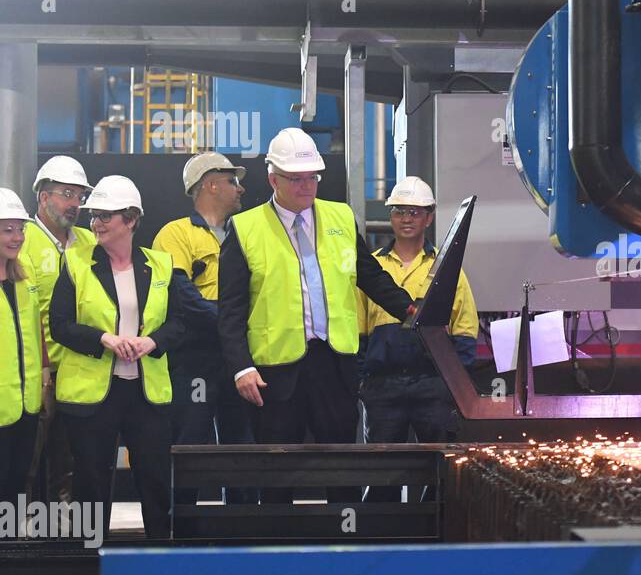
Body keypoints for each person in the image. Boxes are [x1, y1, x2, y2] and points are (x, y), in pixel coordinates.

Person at [217, 128, 415, 503]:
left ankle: (345, 548)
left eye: (312, 177)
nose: (306, 186)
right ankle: (279, 553)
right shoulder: (245, 229)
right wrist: (241, 367)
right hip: (274, 368)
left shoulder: (340, 217)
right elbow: (231, 309)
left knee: (342, 465)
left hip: (334, 362)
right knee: (277, 470)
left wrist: (408, 308)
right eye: (296, 178)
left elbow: (368, 274)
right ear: (273, 178)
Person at [49, 176, 188, 539]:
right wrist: (104, 339)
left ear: (130, 219)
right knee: (91, 480)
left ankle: (161, 554)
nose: (96, 223)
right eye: (94, 216)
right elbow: (60, 325)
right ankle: (89, 562)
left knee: (155, 477)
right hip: (94, 393)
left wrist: (151, 343)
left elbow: (180, 323)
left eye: (105, 216)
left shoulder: (160, 264)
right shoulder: (75, 262)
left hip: (146, 392)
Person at [358, 177, 478, 502]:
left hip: (433, 387)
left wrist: (451, 383)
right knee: (383, 476)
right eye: (399, 211)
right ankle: (382, 545)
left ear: (429, 217)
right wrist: (363, 381)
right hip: (383, 388)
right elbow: (357, 331)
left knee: (441, 473)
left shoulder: (447, 269)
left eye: (414, 211)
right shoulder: (372, 267)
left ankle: (435, 545)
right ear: (391, 216)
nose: (407, 218)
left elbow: (465, 328)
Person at [152, 153, 253, 450]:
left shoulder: (247, 233)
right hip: (194, 356)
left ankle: (242, 499)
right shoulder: (176, 233)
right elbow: (181, 293)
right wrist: (231, 323)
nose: (241, 188)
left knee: (242, 447)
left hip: (239, 357)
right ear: (210, 185)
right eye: (233, 181)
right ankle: (182, 500)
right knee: (189, 442)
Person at [18, 156, 95, 502]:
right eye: (66, 194)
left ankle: (65, 541)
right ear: (43, 197)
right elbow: (28, 311)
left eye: (79, 196)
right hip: (39, 372)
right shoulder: (24, 240)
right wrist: (44, 367)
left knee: (71, 461)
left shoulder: (89, 242)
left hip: (81, 371)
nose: (75, 204)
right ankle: (20, 543)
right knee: (28, 460)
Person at [0, 189, 45, 502]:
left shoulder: (24, 281)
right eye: (7, 230)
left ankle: (11, 549)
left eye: (21, 229)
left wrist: (44, 374)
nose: (17, 237)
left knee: (17, 486)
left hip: (26, 406)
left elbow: (35, 331)